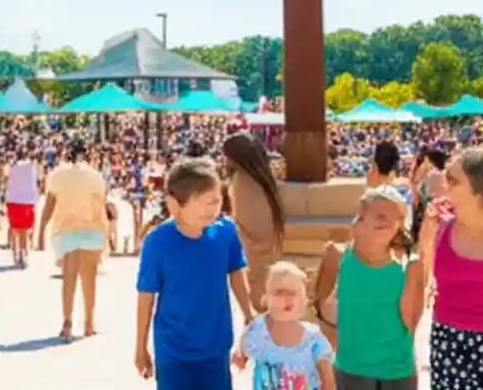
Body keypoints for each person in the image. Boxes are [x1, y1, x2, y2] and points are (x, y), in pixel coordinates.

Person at [135, 157, 255, 390]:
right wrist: (140, 347)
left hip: (216, 348)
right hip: (173, 352)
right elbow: (146, 296)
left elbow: (237, 273)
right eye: (204, 202)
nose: (213, 209)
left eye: (217, 200)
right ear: (174, 204)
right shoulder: (157, 242)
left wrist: (249, 316)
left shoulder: (226, 233)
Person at [419, 148, 483, 389]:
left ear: (480, 190)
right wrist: (425, 240)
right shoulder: (438, 226)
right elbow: (424, 279)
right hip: (449, 340)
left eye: (453, 181)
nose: (443, 187)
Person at [313, 186, 422, 390]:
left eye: (393, 219)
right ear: (359, 218)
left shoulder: (410, 265)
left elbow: (411, 323)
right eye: (379, 216)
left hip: (398, 373)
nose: (386, 222)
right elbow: (323, 318)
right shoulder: (336, 256)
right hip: (350, 370)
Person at [36, 140, 109, 340]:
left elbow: (50, 205)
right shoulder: (95, 176)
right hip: (91, 229)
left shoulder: (57, 176)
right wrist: (108, 236)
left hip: (65, 230)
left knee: (69, 279)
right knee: (89, 280)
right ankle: (89, 324)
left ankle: (67, 322)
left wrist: (41, 230)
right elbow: (100, 207)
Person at [234, 261, 335, 389]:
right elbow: (243, 346)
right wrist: (240, 356)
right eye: (279, 292)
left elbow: (328, 381)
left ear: (305, 300)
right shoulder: (258, 329)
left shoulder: (314, 340)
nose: (287, 298)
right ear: (266, 298)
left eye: (293, 293)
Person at [223, 133, 286, 313]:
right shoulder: (268, 180)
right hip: (271, 251)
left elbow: (239, 224)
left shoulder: (240, 183)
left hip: (253, 255)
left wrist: (249, 245)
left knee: (260, 311)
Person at [4, 148, 41, 268]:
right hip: (28, 200)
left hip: (13, 200)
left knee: (15, 230)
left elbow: (6, 180)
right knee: (25, 230)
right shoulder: (32, 166)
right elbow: (38, 180)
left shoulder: (11, 166)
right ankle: (24, 255)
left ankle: (16, 255)